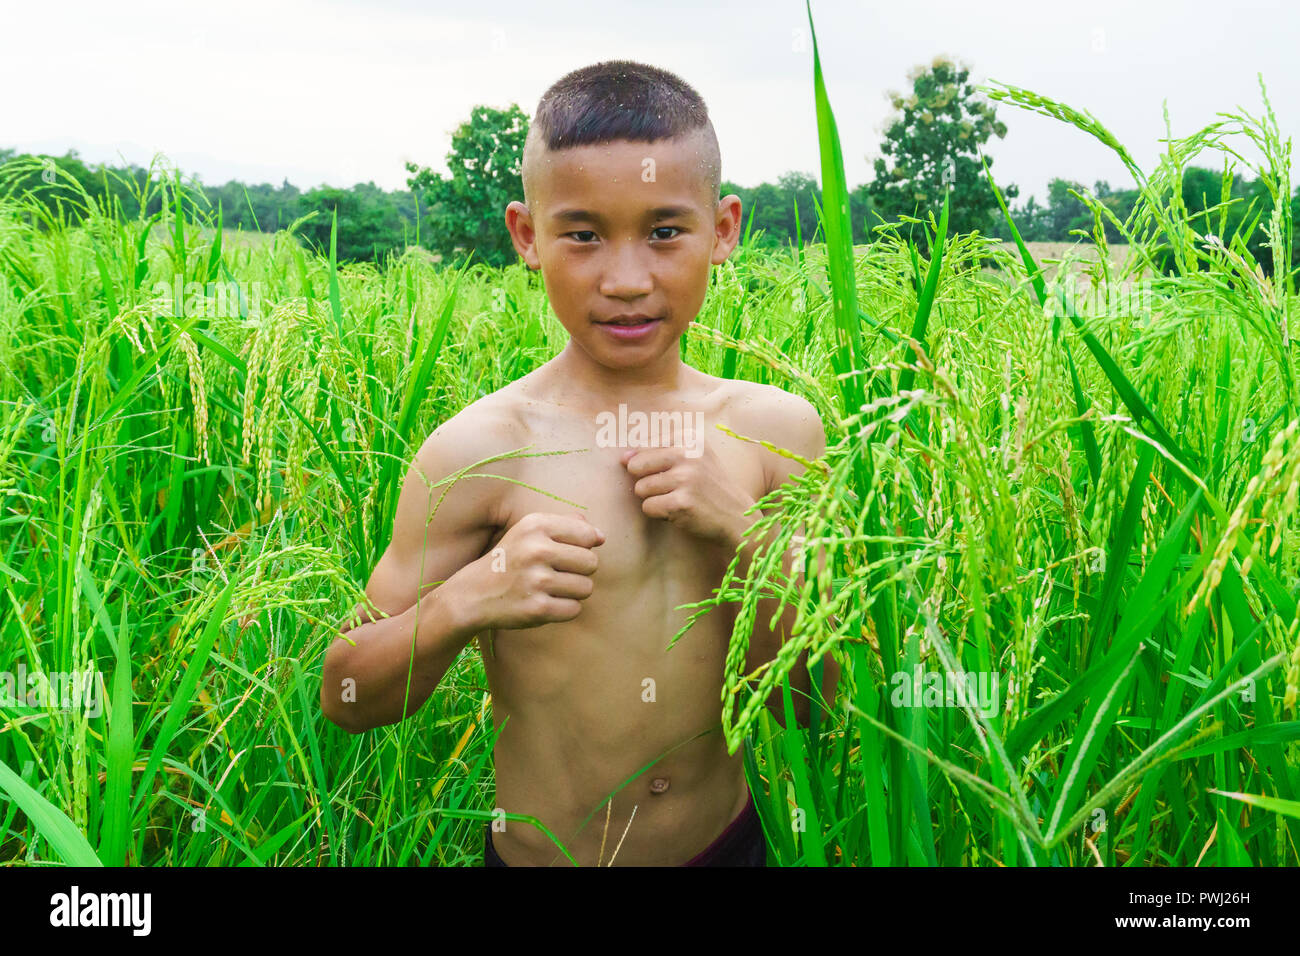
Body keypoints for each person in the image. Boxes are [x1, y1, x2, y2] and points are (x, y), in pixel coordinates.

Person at [321, 60, 838, 867]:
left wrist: (744, 531)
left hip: (726, 850)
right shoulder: (481, 449)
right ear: (527, 236)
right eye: (584, 234)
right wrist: (468, 600)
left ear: (724, 228)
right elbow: (347, 694)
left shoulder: (777, 434)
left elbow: (815, 704)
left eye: (666, 232)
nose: (627, 281)